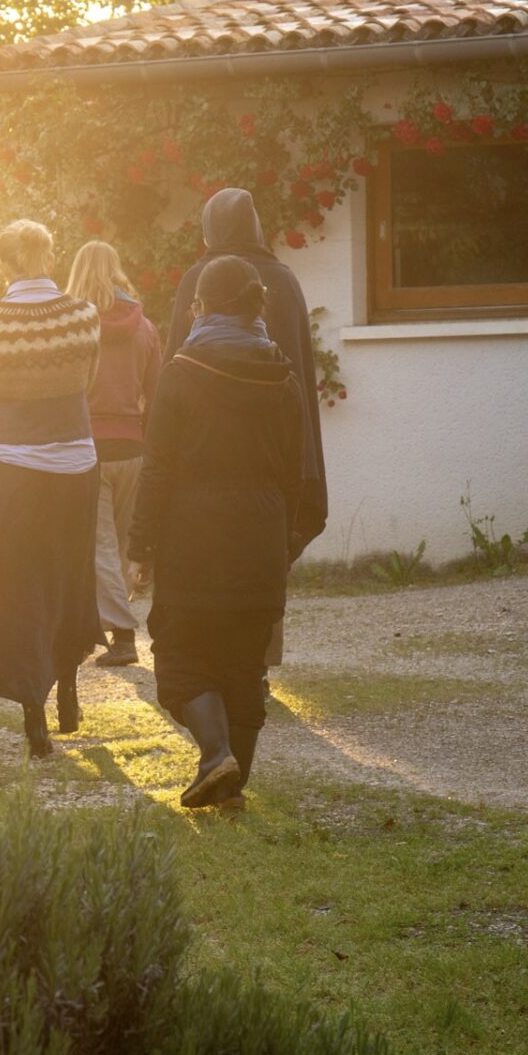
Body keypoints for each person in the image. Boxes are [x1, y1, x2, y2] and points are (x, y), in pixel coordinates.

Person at [129, 255, 306, 808]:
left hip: (194, 537)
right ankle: (232, 785)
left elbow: (157, 467)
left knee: (181, 655)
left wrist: (140, 545)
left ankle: (214, 757)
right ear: (255, 306)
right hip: (259, 535)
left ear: (201, 308)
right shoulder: (284, 377)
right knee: (243, 662)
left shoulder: (181, 374)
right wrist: (283, 542)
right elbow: (294, 471)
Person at [0, 219, 102, 758]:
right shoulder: (84, 317)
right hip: (74, 466)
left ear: (5, 264)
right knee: (70, 574)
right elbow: (86, 386)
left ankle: (34, 714)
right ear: (48, 256)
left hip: (16, 469)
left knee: (19, 585)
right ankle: (68, 684)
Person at [168, 187, 328, 561]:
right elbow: (298, 374)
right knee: (267, 553)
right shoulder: (283, 281)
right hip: (271, 447)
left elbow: (174, 370)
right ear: (254, 226)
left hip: (203, 451)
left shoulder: (196, 279)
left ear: (211, 230)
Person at [65, 240, 160, 668]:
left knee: (101, 545)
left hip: (91, 448)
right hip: (133, 447)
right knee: (120, 544)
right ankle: (105, 625)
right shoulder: (145, 327)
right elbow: (157, 394)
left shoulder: (73, 329)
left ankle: (122, 635)